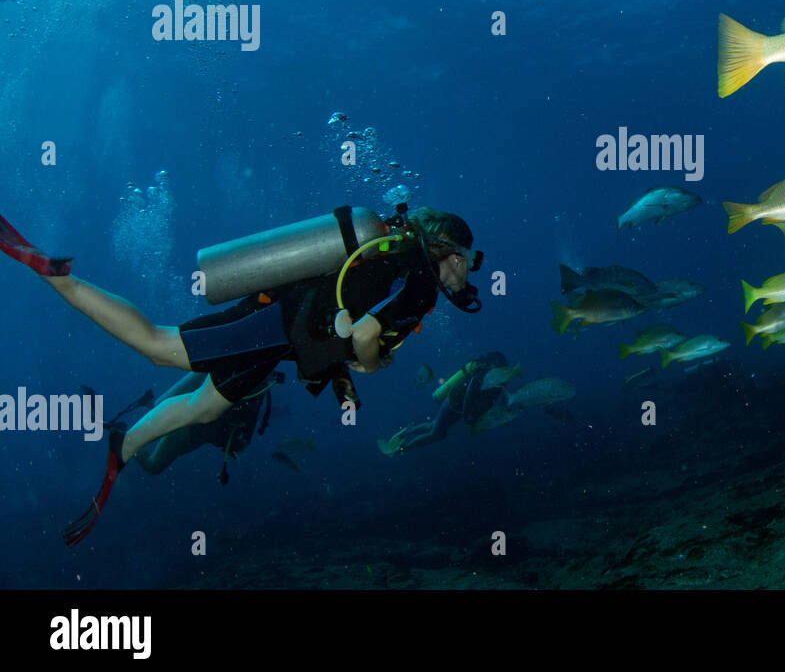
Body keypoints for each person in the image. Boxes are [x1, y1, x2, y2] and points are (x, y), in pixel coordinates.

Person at [0, 205, 483, 545]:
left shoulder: (396, 257)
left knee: (208, 405)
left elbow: (345, 317)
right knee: (158, 346)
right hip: (271, 326)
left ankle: (125, 442)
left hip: (280, 337)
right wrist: (372, 362)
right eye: (472, 260)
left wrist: (347, 369)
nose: (470, 274)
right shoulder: (421, 281)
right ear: (455, 254)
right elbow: (361, 335)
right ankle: (54, 274)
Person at [133, 370, 282, 484]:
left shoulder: (259, 384)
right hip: (187, 426)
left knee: (153, 465)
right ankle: (127, 444)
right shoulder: (229, 368)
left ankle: (130, 442)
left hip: (195, 431)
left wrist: (235, 441)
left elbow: (247, 419)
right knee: (153, 466)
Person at [379, 351, 512, 453]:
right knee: (437, 434)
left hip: (461, 408)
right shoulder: (482, 373)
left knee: (435, 426)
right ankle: (404, 448)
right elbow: (468, 396)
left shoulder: (499, 377)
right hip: (454, 403)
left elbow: (502, 395)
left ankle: (405, 433)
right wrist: (467, 417)